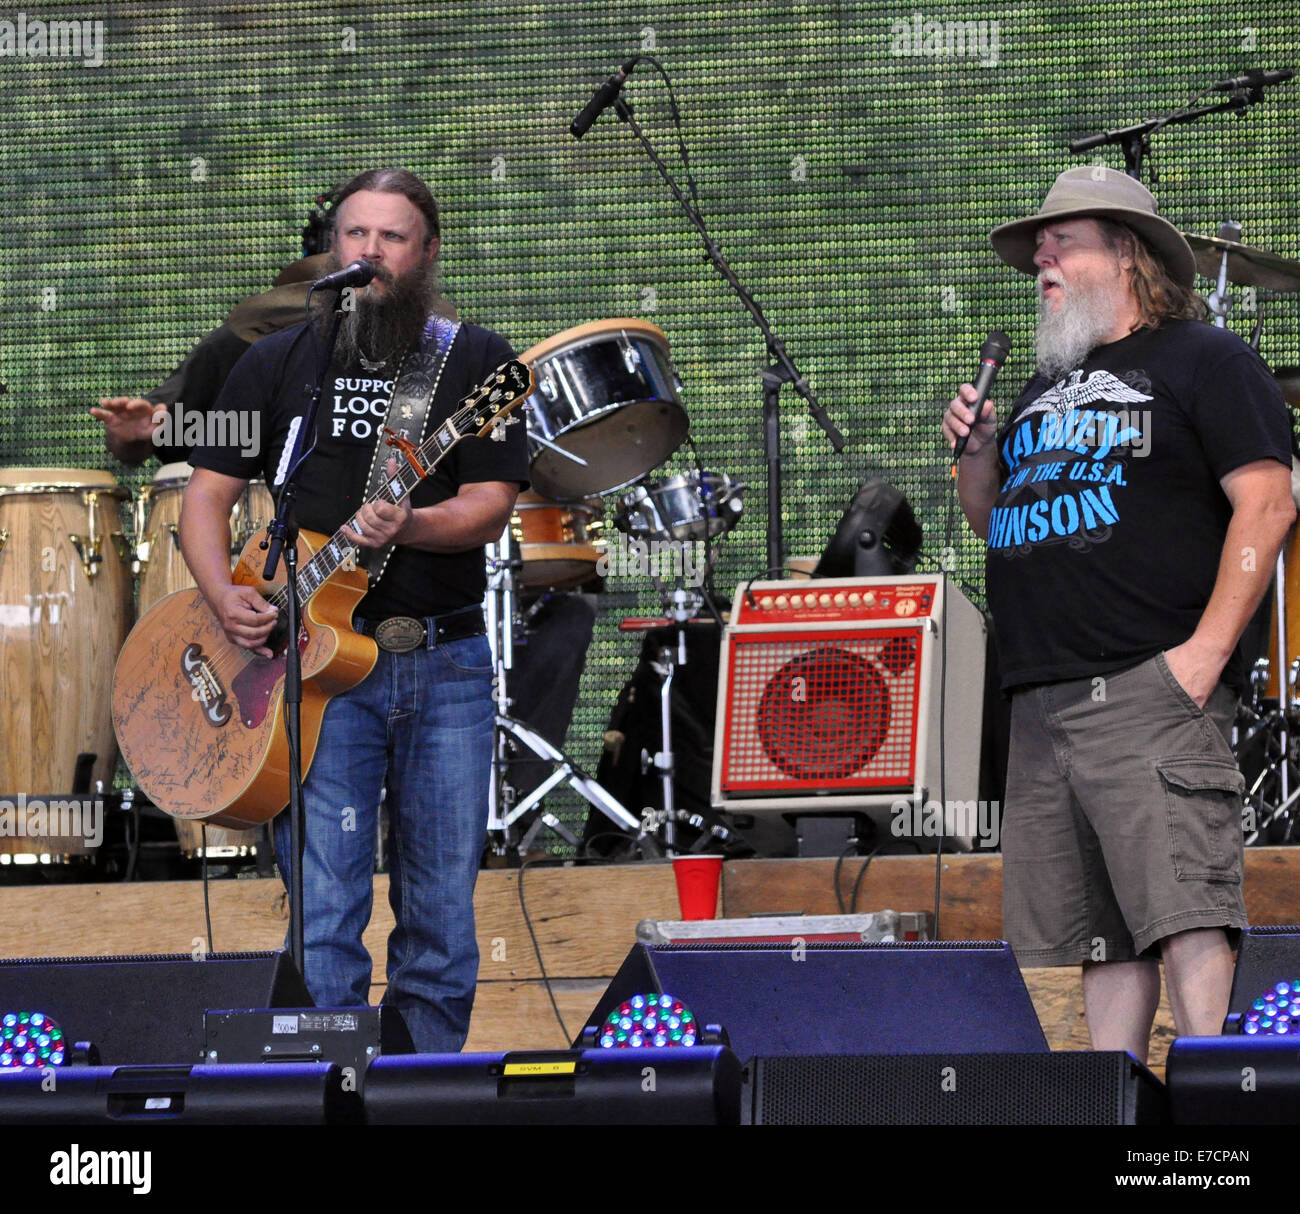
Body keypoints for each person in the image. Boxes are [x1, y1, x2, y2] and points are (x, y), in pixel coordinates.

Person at [942, 166, 1296, 1060]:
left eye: (1063, 241)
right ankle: (1116, 1118)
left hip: (1149, 686)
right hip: (1041, 705)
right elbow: (1011, 527)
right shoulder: (1040, 387)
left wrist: (1202, 660)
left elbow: (1269, 502)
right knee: (1099, 942)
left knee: (1184, 916)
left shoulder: (1206, 359)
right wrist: (980, 461)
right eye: (1038, 251)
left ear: (1128, 256)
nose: (1041, 259)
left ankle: (1226, 1114)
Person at [179, 167, 529, 1052]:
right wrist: (225, 599)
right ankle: (322, 1089)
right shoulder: (275, 360)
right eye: (355, 235)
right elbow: (205, 498)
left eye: (391, 237)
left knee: (441, 913)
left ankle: (422, 1093)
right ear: (332, 248)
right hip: (312, 674)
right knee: (325, 910)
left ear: (427, 253)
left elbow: (490, 504)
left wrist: (411, 521)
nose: (369, 252)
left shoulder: (480, 362)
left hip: (441, 665)